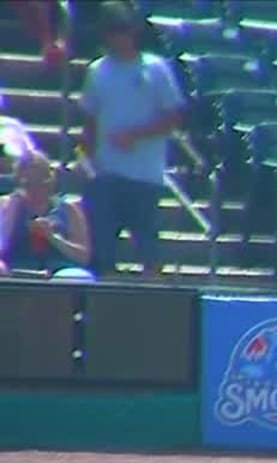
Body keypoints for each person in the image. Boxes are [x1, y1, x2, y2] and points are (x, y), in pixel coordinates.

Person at [79, 1, 186, 278]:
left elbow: (173, 117)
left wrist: (135, 134)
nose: (120, 37)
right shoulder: (97, 71)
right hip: (106, 175)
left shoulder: (156, 69)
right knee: (102, 253)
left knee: (148, 251)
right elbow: (89, 122)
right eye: (114, 31)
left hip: (145, 176)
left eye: (124, 30)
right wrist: (86, 162)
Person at [0, 152, 93, 280]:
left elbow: (83, 257)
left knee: (76, 277)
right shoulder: (6, 205)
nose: (35, 190)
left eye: (41, 184)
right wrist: (11, 211)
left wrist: (52, 237)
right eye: (28, 185)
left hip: (59, 270)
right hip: (16, 269)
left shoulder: (68, 209)